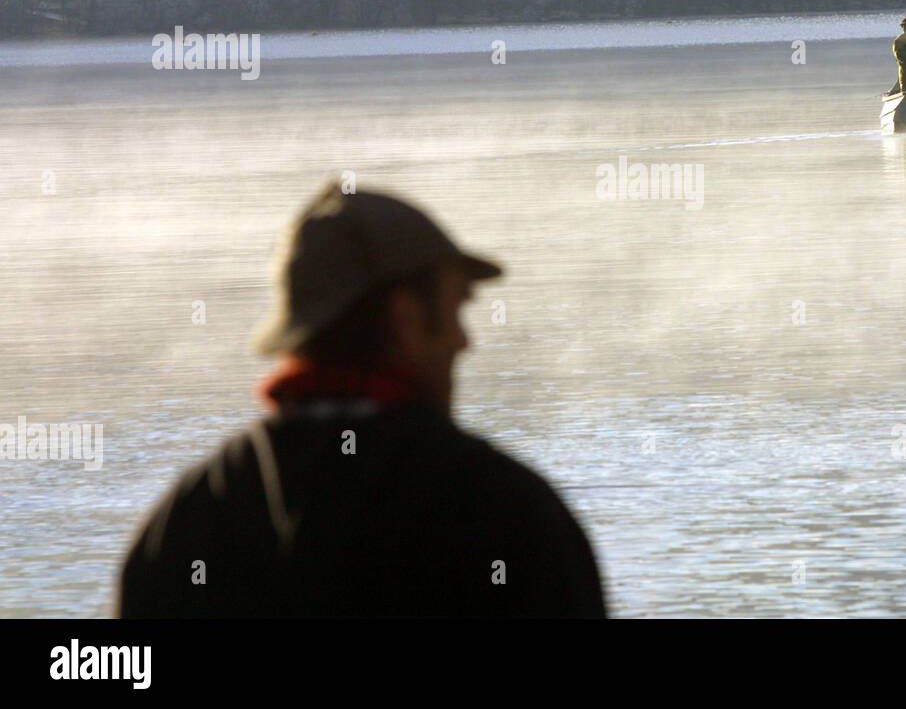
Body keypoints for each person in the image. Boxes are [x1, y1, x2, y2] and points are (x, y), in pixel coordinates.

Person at [117, 183, 606, 618]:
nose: (465, 342)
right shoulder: (507, 512)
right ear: (406, 319)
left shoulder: (189, 521)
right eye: (457, 308)